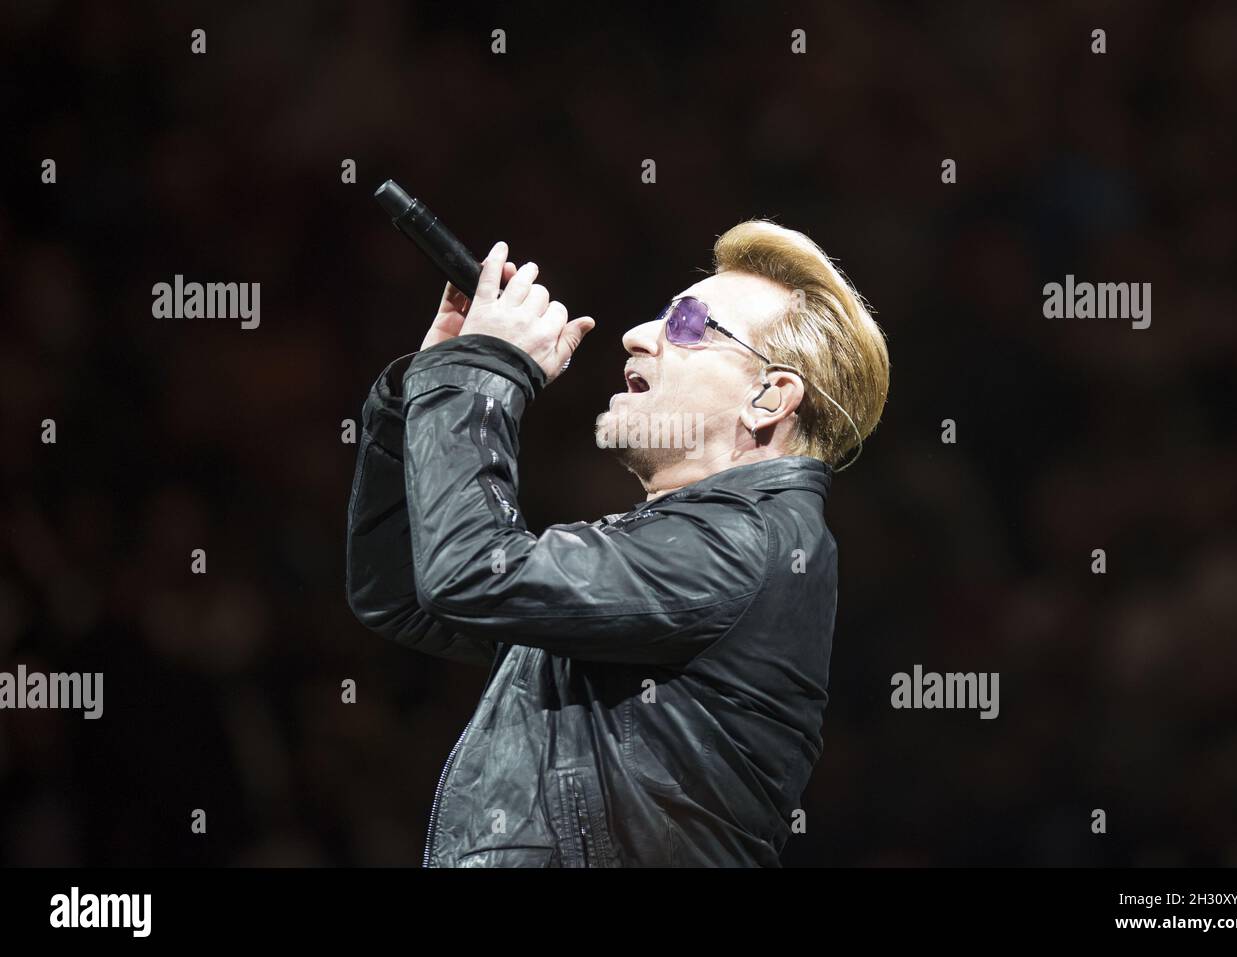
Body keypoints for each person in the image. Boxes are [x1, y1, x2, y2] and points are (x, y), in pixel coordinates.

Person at [346, 220, 889, 866]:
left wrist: (481, 372)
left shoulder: (743, 543)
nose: (637, 334)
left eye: (687, 322)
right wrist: (423, 390)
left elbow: (465, 573)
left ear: (768, 397)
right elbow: (403, 592)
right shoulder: (697, 543)